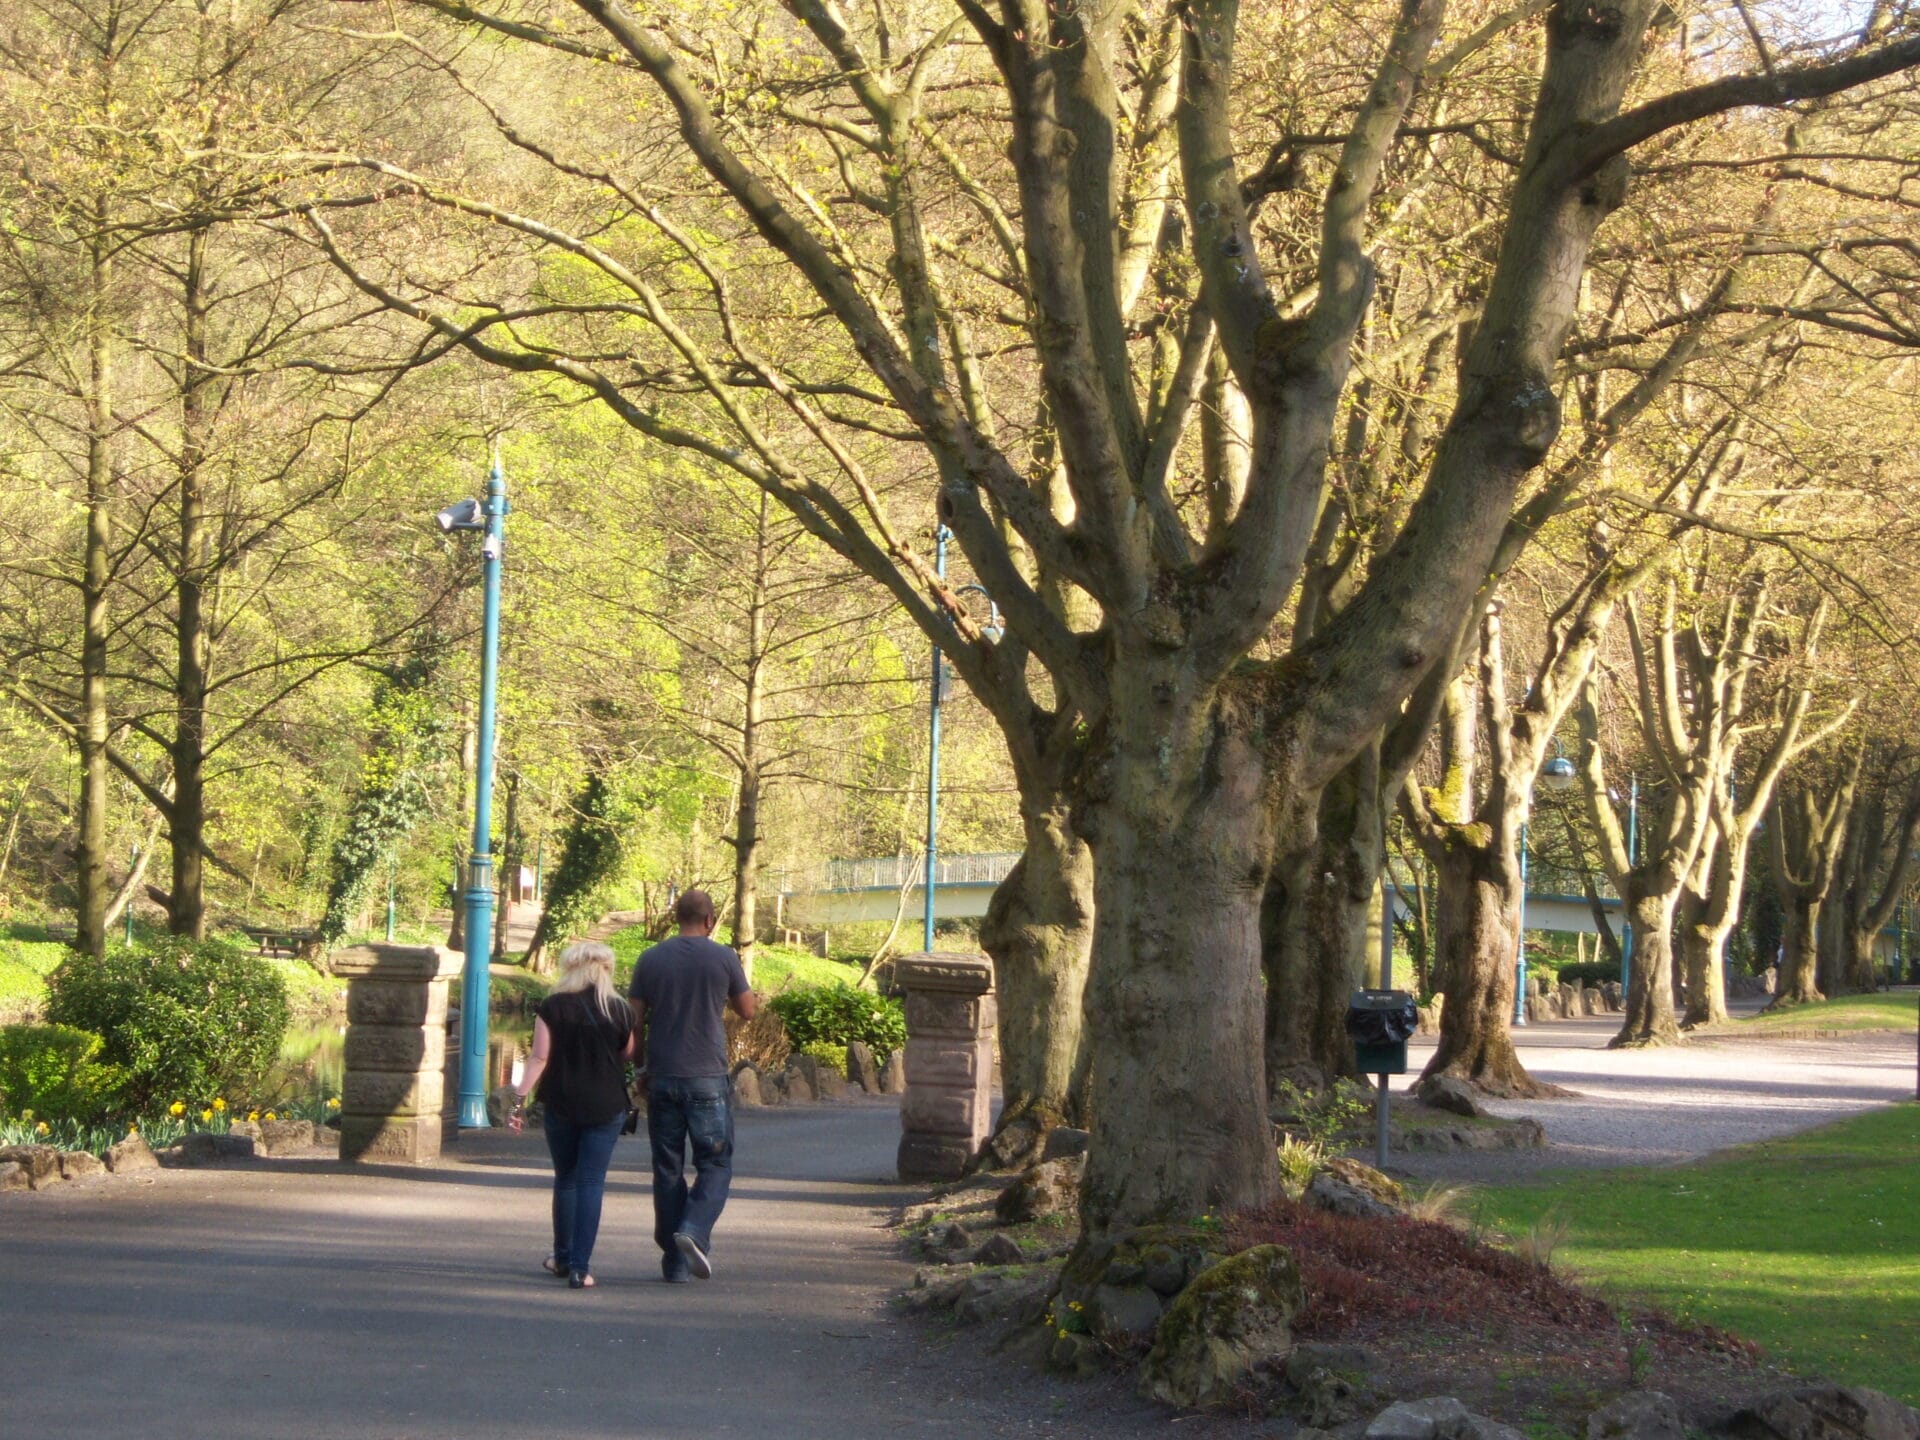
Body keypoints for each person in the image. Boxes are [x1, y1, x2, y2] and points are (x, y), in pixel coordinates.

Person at [629, 889, 755, 1283]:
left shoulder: (650, 959)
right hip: (707, 1078)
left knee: (667, 1169)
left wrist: (639, 1066)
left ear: (675, 918)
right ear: (710, 920)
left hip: (663, 1075)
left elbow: (633, 1020)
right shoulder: (723, 957)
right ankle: (694, 1230)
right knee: (715, 1163)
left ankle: (675, 1263)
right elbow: (748, 1010)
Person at [509, 940, 635, 1290]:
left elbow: (538, 1058)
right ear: (606, 970)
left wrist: (518, 1103)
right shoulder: (620, 1010)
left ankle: (561, 1257)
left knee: (566, 1179)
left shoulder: (552, 1007)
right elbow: (627, 1052)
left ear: (570, 969)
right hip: (605, 1104)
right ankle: (581, 1268)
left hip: (561, 1102)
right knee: (592, 1182)